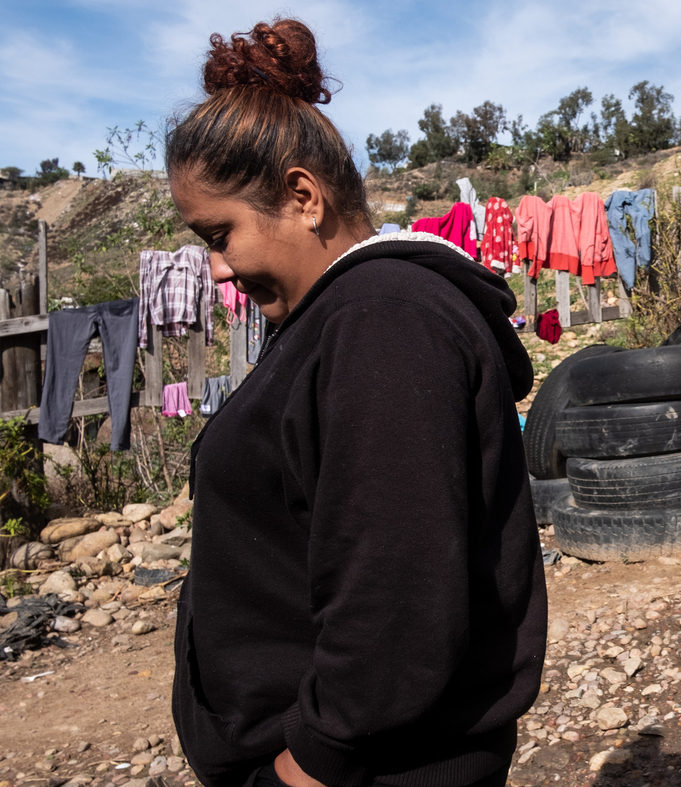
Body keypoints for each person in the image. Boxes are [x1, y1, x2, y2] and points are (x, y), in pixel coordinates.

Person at [165, 19, 546, 787]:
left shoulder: (383, 323)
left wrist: (310, 763)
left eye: (221, 235)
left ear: (302, 196)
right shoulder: (339, 319)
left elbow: (396, 597)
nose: (216, 268)